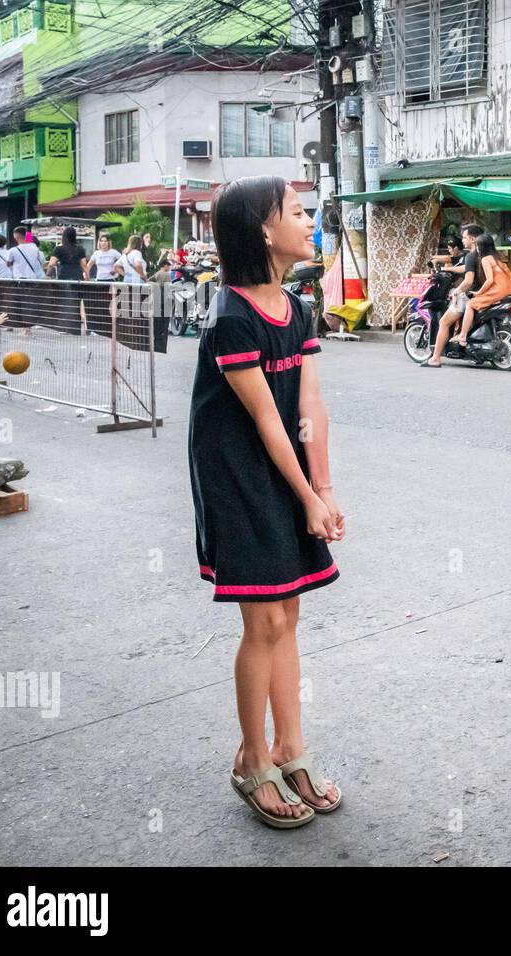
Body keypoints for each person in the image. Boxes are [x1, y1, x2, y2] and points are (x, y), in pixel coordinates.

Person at [188, 175, 344, 829]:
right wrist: (306, 495)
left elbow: (308, 407)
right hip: (239, 474)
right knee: (265, 624)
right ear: (262, 229)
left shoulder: (296, 305)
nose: (310, 222)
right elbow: (264, 422)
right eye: (299, 212)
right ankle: (253, 760)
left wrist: (324, 489)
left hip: (284, 471)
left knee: (291, 617)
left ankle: (290, 747)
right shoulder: (232, 316)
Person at [420, 223, 484, 367]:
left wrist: (457, 291)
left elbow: (468, 281)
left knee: (443, 322)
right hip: (484, 294)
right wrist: (451, 270)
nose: (463, 241)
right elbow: (466, 268)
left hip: (471, 295)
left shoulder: (470, 256)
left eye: (465, 237)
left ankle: (435, 358)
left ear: (473, 239)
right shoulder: (483, 254)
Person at [449, 233, 511, 347]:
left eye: (478, 246)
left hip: (499, 290)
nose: (477, 248)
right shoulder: (499, 257)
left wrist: (479, 292)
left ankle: (463, 335)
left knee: (470, 304)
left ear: (481, 247)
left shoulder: (485, 259)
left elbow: (489, 280)